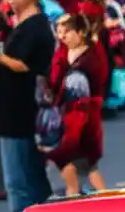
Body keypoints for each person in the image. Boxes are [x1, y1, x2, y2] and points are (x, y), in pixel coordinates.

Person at [0, 0, 56, 212]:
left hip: (18, 114)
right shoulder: (26, 24)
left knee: (19, 184)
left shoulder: (34, 26)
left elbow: (22, 64)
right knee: (31, 179)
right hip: (17, 112)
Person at [46, 14, 108, 196]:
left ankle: (78, 195)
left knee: (79, 160)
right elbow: (54, 81)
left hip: (83, 116)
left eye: (67, 32)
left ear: (80, 33)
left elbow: (99, 80)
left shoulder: (92, 55)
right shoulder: (63, 53)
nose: (63, 36)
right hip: (67, 115)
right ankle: (84, 194)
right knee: (85, 164)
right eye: (59, 32)